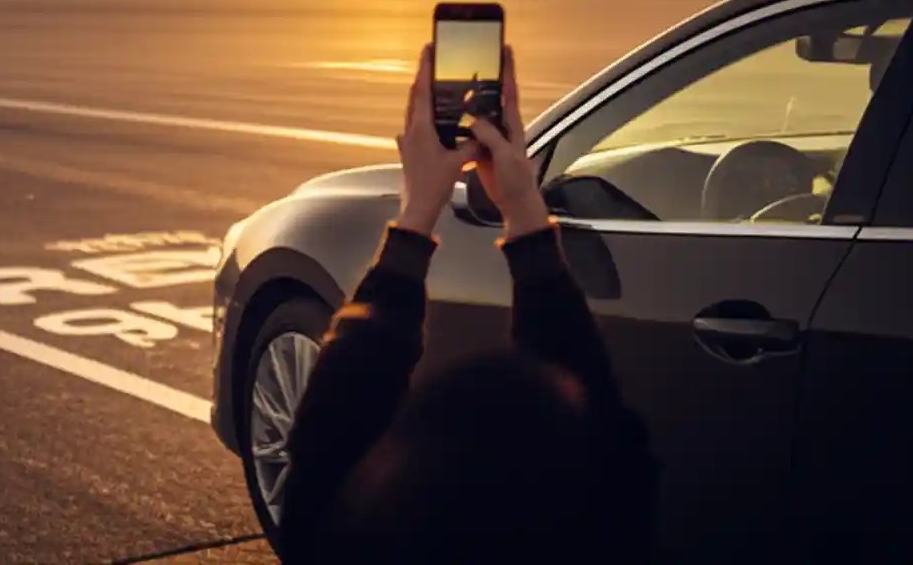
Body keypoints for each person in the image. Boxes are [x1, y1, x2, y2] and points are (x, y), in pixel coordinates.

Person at [278, 45, 657, 564]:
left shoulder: (346, 540)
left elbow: (322, 460)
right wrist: (523, 203)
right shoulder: (603, 531)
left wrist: (418, 210)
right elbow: (612, 445)